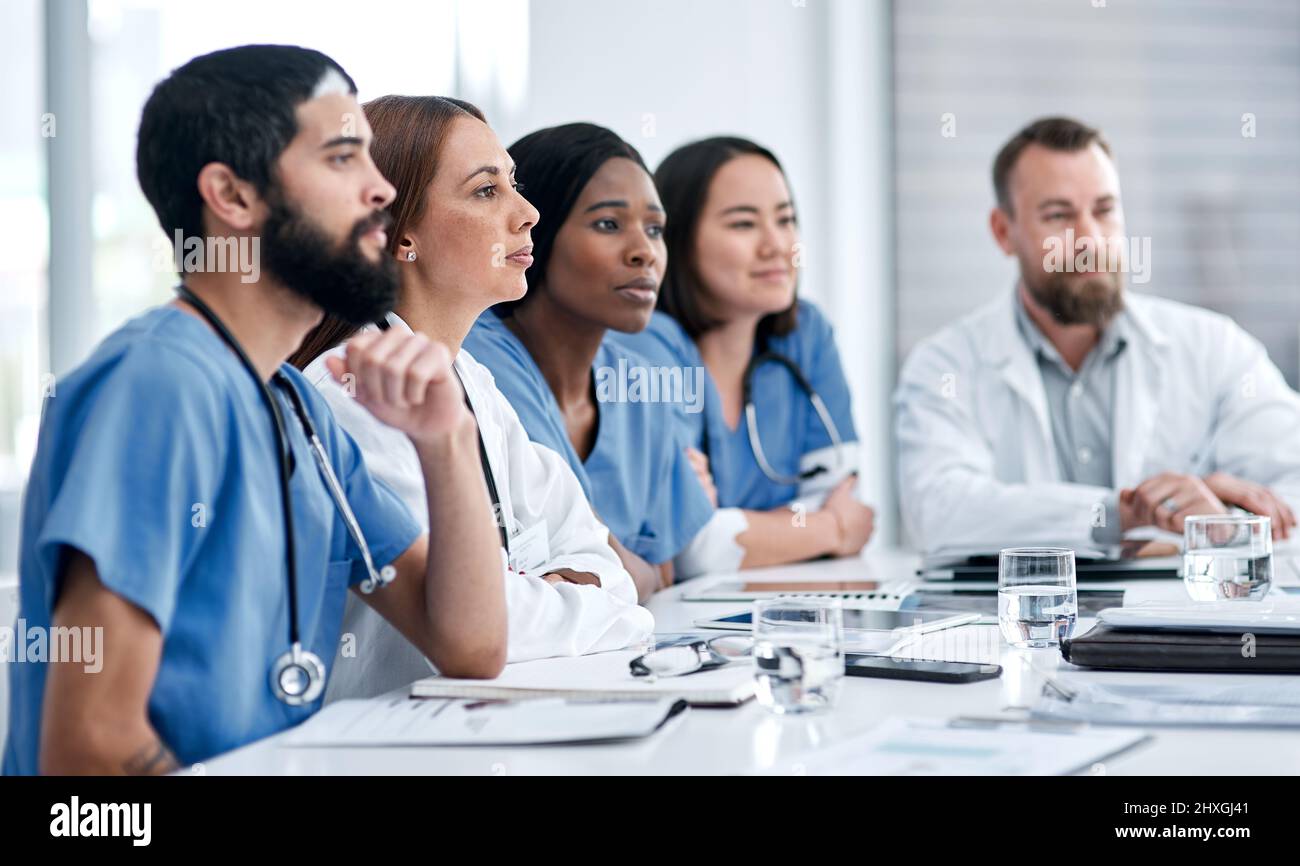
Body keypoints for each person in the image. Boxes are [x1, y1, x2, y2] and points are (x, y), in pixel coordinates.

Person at [3, 45, 507, 775]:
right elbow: (89, 756)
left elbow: (470, 645)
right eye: (343, 159)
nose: (381, 191)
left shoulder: (294, 403)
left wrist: (447, 437)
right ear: (232, 197)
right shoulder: (159, 384)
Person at [291, 101, 651, 700]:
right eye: (487, 191)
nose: (528, 214)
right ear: (398, 233)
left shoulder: (473, 383)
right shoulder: (354, 394)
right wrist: (551, 593)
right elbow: (485, 629)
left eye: (515, 185)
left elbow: (608, 571)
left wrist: (546, 591)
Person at [895, 116, 1300, 557]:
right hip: (1014, 625)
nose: (1088, 238)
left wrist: (1219, 521)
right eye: (1058, 215)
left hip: (1181, 624)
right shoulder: (945, 366)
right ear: (1002, 232)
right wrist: (1122, 515)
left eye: (1104, 210)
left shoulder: (1215, 348)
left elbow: (1292, 490)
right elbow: (939, 511)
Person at [463, 123, 728, 591]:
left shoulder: (639, 382)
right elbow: (593, 577)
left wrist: (630, 571)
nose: (644, 252)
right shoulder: (480, 360)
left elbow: (663, 570)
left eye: (655, 229)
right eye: (608, 224)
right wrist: (630, 571)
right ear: (534, 233)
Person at [613, 136, 874, 567]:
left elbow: (846, 497)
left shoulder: (807, 336)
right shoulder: (644, 344)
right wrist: (831, 529)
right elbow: (682, 546)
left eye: (786, 219)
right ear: (675, 239)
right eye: (743, 224)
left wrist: (731, 530)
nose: (776, 245)